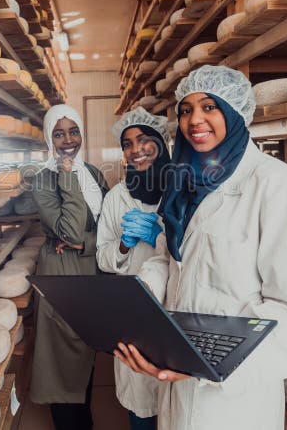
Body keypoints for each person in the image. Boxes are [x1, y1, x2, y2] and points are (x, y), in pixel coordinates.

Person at [114, 65, 287, 429]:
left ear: (236, 113)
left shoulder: (279, 188)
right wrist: (142, 304)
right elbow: (168, 257)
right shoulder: (183, 183)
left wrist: (207, 362)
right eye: (186, 109)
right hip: (175, 369)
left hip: (234, 397)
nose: (195, 119)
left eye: (209, 107)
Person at [29, 104, 109, 430]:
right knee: (62, 365)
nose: (67, 140)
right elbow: (70, 232)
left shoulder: (94, 173)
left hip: (92, 273)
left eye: (73, 131)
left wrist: (87, 245)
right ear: (49, 138)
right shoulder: (43, 181)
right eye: (59, 133)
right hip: (62, 278)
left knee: (84, 359)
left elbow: (106, 229)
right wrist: (66, 174)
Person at [95, 107, 172, 430]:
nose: (135, 149)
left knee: (175, 395)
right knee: (139, 395)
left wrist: (161, 238)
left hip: (176, 303)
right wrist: (124, 245)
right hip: (134, 309)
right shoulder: (117, 197)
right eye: (127, 143)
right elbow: (102, 257)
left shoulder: (180, 191)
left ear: (159, 143)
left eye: (143, 140)